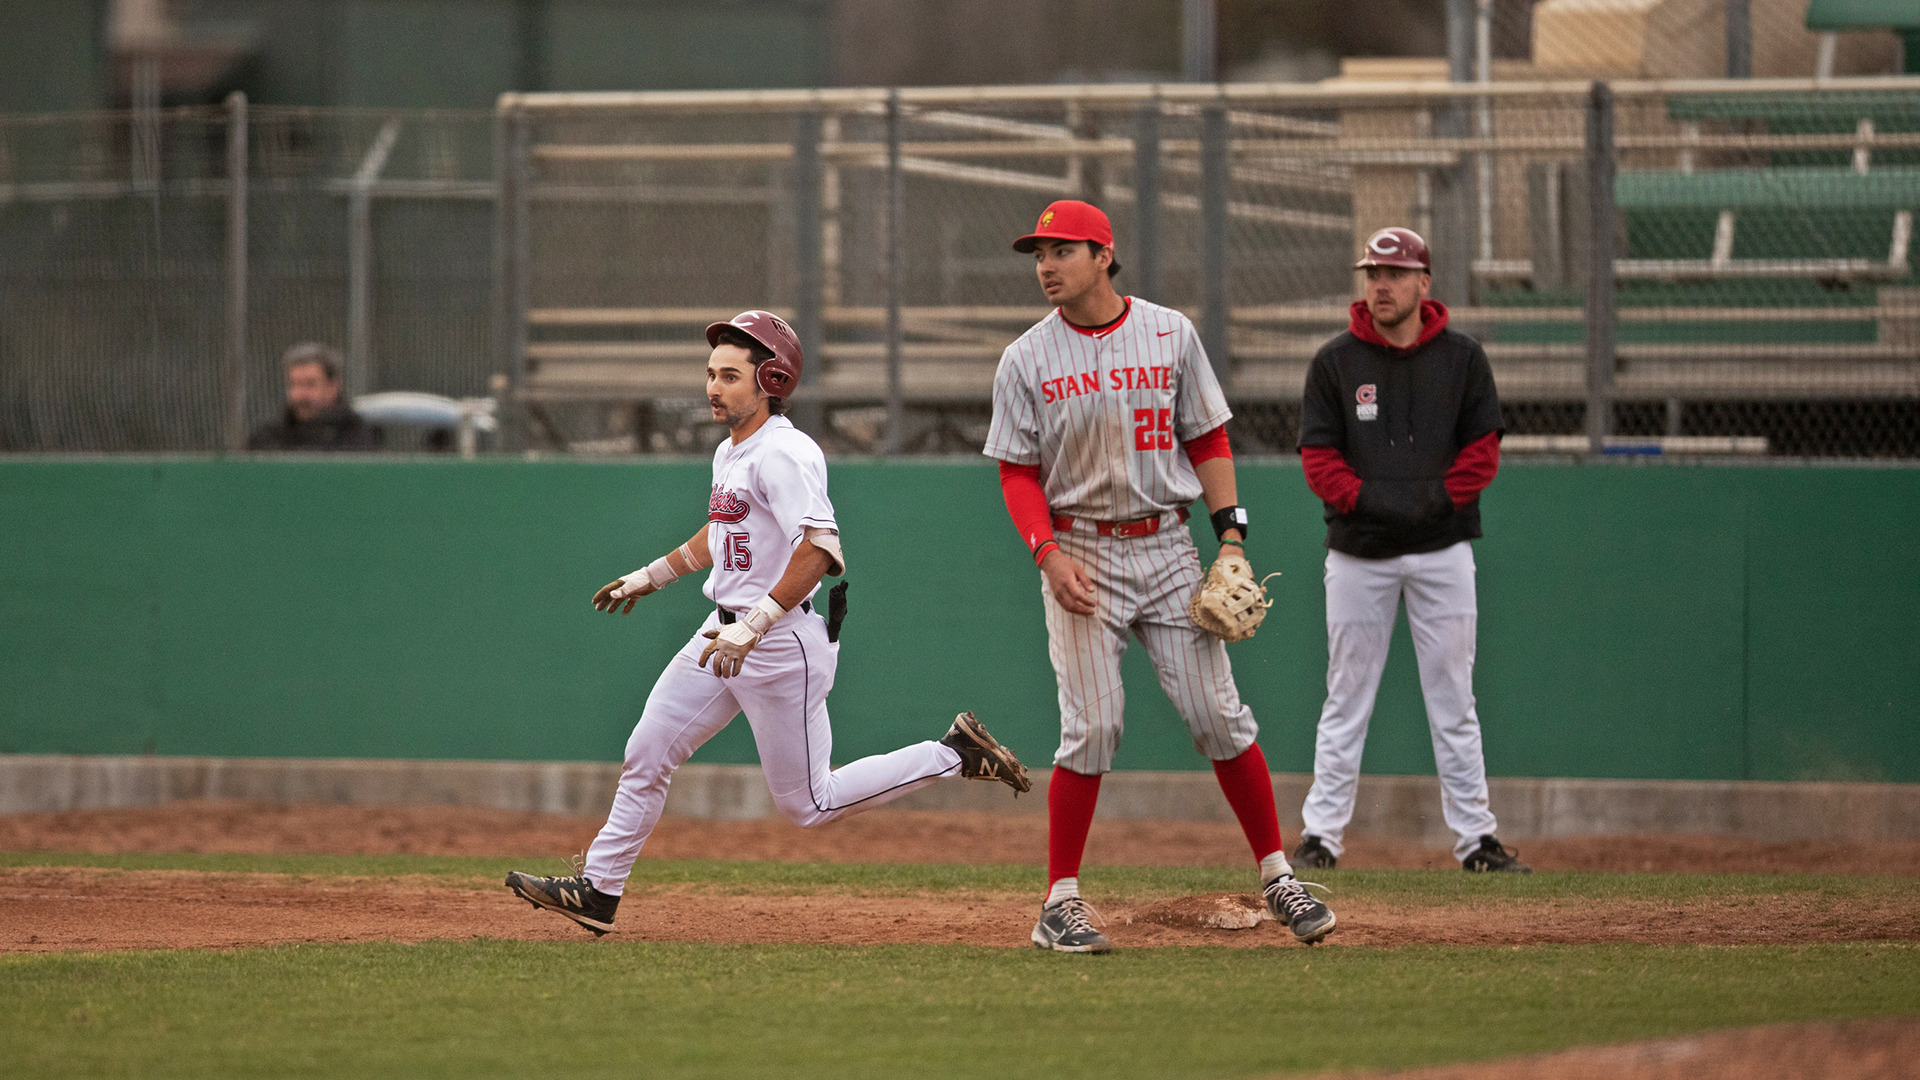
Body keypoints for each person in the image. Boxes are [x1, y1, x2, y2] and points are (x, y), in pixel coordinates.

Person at [506, 310, 1032, 935]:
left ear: (771, 380)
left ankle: (952, 754)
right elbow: (725, 530)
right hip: (720, 634)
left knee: (810, 805)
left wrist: (753, 625)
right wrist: (653, 575)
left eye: (730, 375)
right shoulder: (733, 449)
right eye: (710, 374)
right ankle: (599, 890)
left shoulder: (784, 453)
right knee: (646, 752)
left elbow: (820, 550)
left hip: (778, 643)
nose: (713, 387)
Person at [984, 200, 1336, 954]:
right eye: (1037, 253)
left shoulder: (1171, 333)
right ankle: (1060, 900)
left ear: (1104, 254)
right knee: (1094, 727)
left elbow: (1207, 438)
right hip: (1081, 551)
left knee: (1218, 715)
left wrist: (1231, 539)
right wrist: (1046, 554)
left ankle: (1279, 875)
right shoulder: (1025, 357)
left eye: (1061, 250)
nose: (1045, 265)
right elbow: (1017, 474)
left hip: (1169, 546)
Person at [1291, 226, 1530, 874]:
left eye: (1394, 274)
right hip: (1357, 555)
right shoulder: (1336, 362)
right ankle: (1321, 838)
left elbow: (1482, 452)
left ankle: (1476, 840)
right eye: (1372, 273)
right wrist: (1370, 502)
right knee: (1345, 696)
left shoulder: (1463, 359)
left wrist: (1431, 502)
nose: (1381, 285)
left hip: (1441, 552)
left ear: (1425, 283)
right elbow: (1319, 458)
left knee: (1454, 697)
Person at [246, 343, 380, 451]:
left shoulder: (358, 437)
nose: (301, 395)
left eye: (310, 384)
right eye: (295, 384)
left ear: (332, 386)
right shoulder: (269, 437)